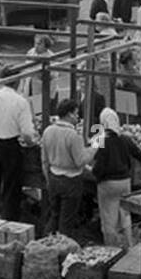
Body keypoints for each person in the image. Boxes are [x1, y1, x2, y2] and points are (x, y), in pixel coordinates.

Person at [0, 82, 37, 221]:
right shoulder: (21, 102)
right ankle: (9, 221)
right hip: (10, 148)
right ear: (18, 82)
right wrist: (32, 144)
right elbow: (27, 132)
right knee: (11, 189)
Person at [90, 106, 141, 248]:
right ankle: (129, 244)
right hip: (125, 182)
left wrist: (92, 172)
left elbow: (98, 164)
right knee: (125, 214)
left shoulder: (100, 139)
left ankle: (112, 249)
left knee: (109, 217)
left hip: (108, 184)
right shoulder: (125, 138)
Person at [41, 98, 92, 239]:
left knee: (54, 216)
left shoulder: (48, 131)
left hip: (53, 178)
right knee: (66, 221)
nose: (78, 117)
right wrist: (95, 147)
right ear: (69, 114)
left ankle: (45, 245)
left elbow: (44, 160)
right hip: (71, 182)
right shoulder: (73, 136)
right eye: (76, 114)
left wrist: (48, 179)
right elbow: (80, 161)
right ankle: (62, 253)